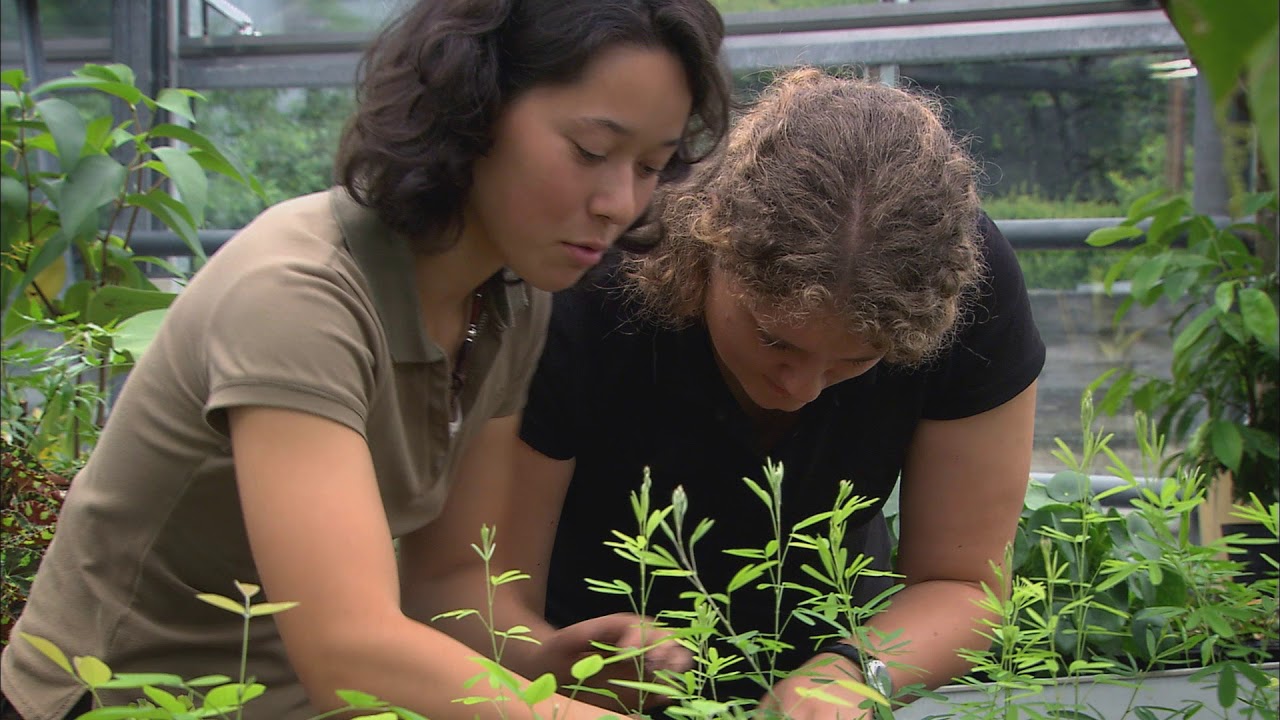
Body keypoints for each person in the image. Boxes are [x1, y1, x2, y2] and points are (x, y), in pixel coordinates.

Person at [0, 1, 731, 719]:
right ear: (475, 107)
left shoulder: (508, 302)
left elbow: (442, 583)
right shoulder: (299, 294)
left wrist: (545, 664)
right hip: (123, 703)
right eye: (592, 152)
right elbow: (350, 652)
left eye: (651, 166)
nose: (619, 201)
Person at [418, 68, 1045, 717]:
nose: (801, 390)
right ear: (709, 251)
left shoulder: (965, 283)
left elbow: (963, 581)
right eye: (775, 341)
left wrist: (854, 674)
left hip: (822, 659)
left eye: (855, 361)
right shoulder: (589, 283)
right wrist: (546, 663)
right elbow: (472, 587)